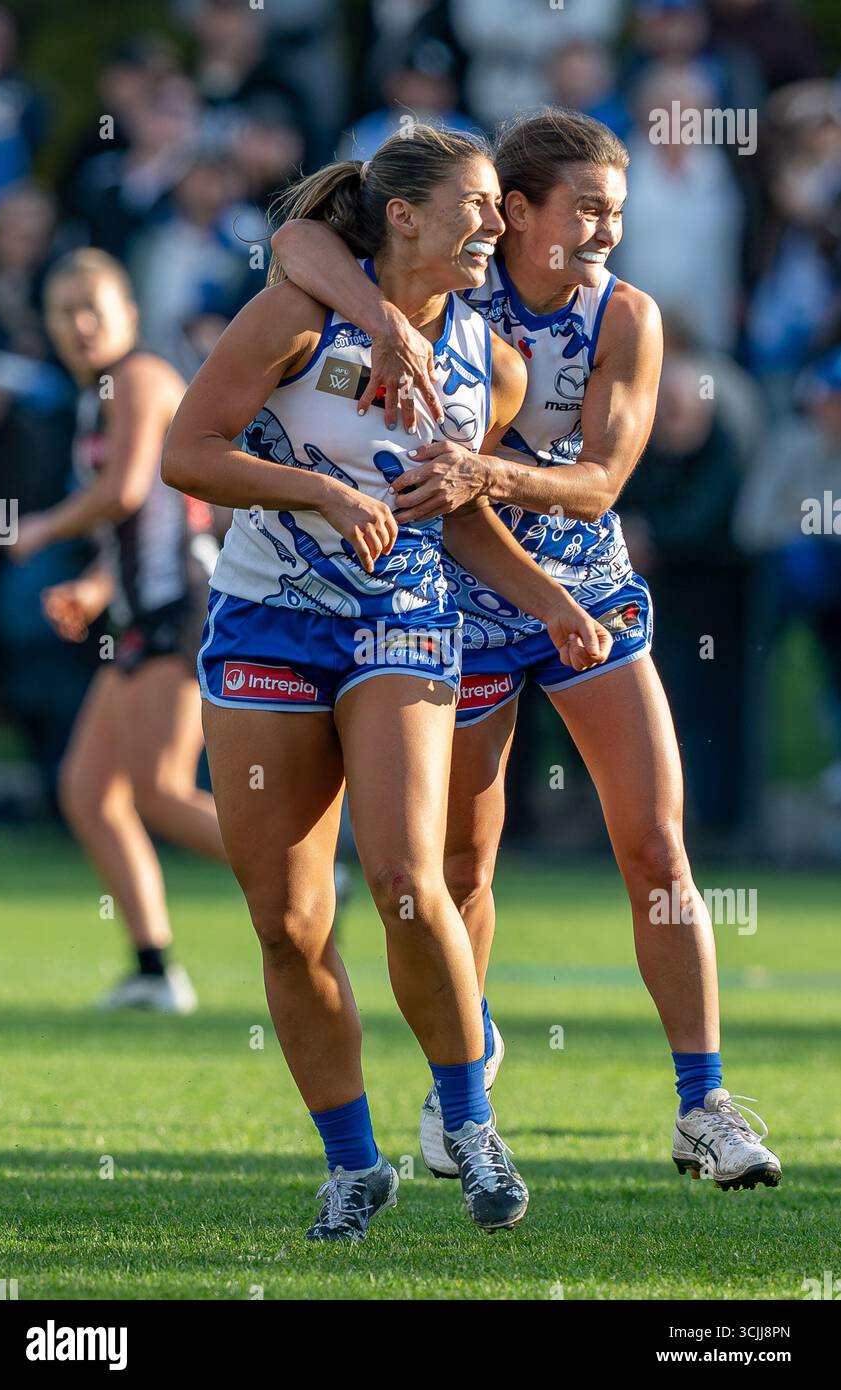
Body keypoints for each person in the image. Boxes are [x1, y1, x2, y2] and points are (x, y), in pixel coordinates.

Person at [271, 106, 783, 1192]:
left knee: (656, 845)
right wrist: (386, 321)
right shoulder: (454, 275)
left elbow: (600, 482)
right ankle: (465, 1081)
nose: (606, 231)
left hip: (582, 592)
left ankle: (704, 1105)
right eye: (587, 209)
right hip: (457, 601)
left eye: (618, 212)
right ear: (515, 212)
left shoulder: (625, 319)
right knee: (458, 866)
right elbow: (295, 242)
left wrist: (482, 473)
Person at [163, 126, 612, 1239]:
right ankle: (353, 1163)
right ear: (401, 215)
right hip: (266, 618)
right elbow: (188, 451)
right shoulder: (296, 313)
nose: (498, 226)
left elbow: (453, 511)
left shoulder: (492, 362)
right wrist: (312, 493)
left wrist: (552, 602)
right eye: (475, 205)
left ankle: (468, 1119)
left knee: (408, 875)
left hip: (404, 620)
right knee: (287, 922)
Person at [12, 248, 222, 1013]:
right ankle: (154, 968)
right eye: (63, 310)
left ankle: (303, 873)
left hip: (180, 609)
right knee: (91, 791)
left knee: (160, 792)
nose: (78, 324)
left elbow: (126, 487)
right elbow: (133, 518)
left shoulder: (137, 377)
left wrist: (35, 531)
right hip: (138, 612)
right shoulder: (94, 396)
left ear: (129, 315)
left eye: (92, 307)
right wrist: (94, 588)